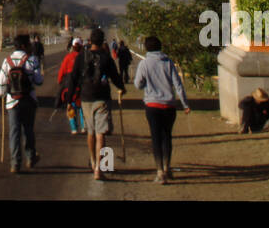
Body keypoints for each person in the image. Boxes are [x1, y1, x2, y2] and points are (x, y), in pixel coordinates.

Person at [133, 36, 191, 184]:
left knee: (156, 138)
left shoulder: (144, 64)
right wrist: (185, 104)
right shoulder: (169, 63)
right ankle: (167, 167)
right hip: (169, 105)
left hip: (152, 105)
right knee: (167, 137)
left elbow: (138, 84)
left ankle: (159, 172)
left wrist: (146, 85)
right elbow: (178, 85)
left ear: (146, 48)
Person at [69, 28, 125, 180]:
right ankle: (99, 170)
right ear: (102, 41)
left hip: (86, 98)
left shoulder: (81, 56)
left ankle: (93, 162)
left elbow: (73, 77)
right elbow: (115, 77)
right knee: (101, 134)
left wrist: (69, 98)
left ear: (90, 41)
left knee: (90, 132)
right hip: (102, 98)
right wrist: (122, 88)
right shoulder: (106, 57)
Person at [0, 33, 44, 173]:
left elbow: (0, 83)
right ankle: (30, 157)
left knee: (14, 132)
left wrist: (3, 94)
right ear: (24, 46)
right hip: (29, 100)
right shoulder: (32, 60)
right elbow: (39, 81)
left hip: (12, 102)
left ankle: (15, 163)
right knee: (28, 130)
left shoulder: (7, 61)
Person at [57, 37, 85, 134]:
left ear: (72, 47)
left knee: (71, 105)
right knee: (82, 107)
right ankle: (83, 126)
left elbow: (62, 71)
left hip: (70, 85)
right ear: (82, 46)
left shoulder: (68, 57)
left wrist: (60, 81)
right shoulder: (85, 57)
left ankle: (74, 128)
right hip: (82, 85)